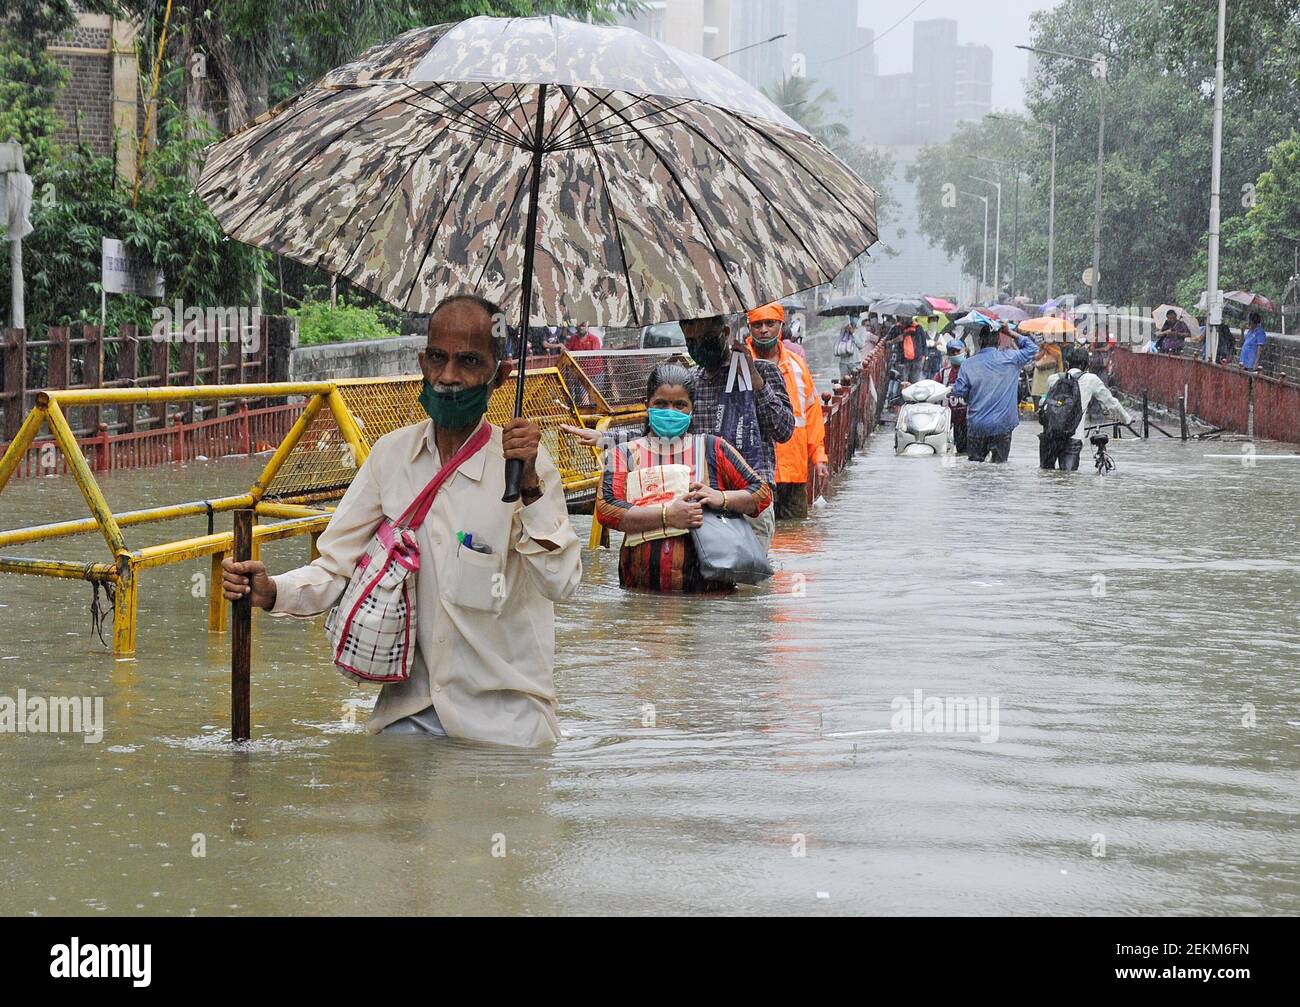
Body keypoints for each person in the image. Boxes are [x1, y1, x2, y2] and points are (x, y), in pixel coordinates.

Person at [221, 295, 581, 747]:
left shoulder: (528, 469)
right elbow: (336, 568)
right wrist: (272, 591)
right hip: (407, 716)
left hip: (507, 726)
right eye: (438, 358)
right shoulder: (390, 456)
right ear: (421, 362)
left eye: (468, 361)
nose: (449, 377)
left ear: (500, 376)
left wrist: (528, 487)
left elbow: (562, 583)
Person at [565, 315, 793, 552]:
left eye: (705, 339)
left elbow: (784, 429)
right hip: (695, 503)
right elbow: (663, 436)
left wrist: (755, 380)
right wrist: (605, 439)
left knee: (744, 573)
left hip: (746, 500)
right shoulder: (691, 380)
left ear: (724, 333)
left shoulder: (763, 372)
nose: (698, 346)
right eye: (691, 340)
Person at [594, 362, 772, 592]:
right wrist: (668, 516)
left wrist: (722, 498)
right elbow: (606, 509)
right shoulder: (623, 453)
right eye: (661, 404)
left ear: (692, 408)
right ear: (646, 405)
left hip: (708, 594)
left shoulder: (713, 448)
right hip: (642, 592)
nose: (670, 412)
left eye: (680, 405)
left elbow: (761, 492)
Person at [746, 302, 828, 520]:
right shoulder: (739, 365)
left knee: (796, 538)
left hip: (793, 470)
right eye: (757, 324)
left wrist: (818, 456)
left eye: (769, 323)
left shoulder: (797, 366)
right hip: (753, 471)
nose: (764, 330)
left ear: (781, 326)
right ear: (750, 328)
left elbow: (812, 414)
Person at [950, 322, 1040, 463]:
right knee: (1000, 468)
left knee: (975, 469)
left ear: (979, 341)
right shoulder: (1011, 358)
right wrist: (1010, 332)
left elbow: (959, 391)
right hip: (1002, 425)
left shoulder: (968, 364)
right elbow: (1033, 348)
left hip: (977, 425)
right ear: (999, 341)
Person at [1039, 344, 1131, 471]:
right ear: (1086, 365)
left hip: (1050, 436)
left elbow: (1044, 403)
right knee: (1068, 479)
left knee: (1046, 476)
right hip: (1073, 437)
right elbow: (1111, 402)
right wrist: (1126, 419)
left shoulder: (1053, 379)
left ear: (1068, 363)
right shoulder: (1091, 380)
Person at [934, 337, 969, 453]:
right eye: (951, 352)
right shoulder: (943, 373)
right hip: (948, 420)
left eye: (957, 351)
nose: (954, 354)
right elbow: (932, 388)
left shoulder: (972, 371)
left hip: (967, 420)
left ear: (965, 351)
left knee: (964, 452)